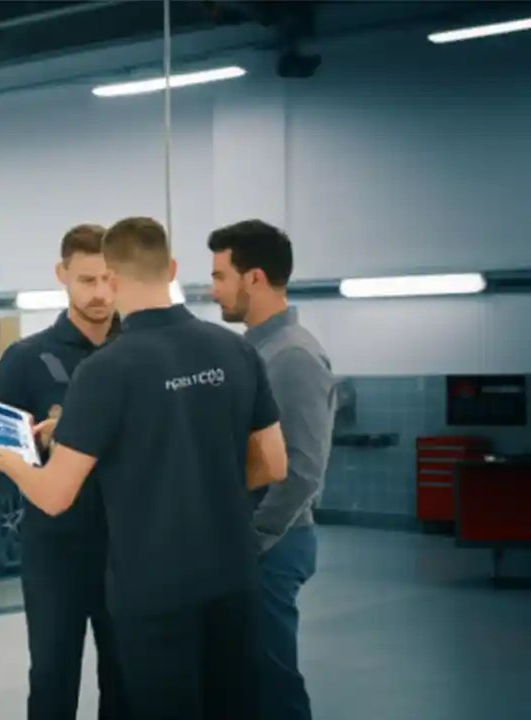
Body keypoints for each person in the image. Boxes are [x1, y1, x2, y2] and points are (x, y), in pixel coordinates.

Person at [0, 217, 289, 720]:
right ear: (174, 269)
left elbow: (54, 494)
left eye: (103, 279)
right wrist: (201, 488)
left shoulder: (110, 367)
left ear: (114, 278)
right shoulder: (235, 348)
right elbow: (273, 462)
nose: (98, 292)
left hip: (149, 576)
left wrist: (5, 459)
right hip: (230, 573)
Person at [0, 223, 126, 720]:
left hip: (128, 548)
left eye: (111, 279)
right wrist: (38, 445)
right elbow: (1, 456)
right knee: (52, 677)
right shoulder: (24, 360)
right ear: (62, 274)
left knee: (127, 679)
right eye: (88, 280)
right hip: (55, 550)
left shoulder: (140, 356)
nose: (101, 293)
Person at [207, 220, 336, 720]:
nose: (212, 289)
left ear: (254, 278)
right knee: (244, 678)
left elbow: (302, 470)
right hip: (249, 540)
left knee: (271, 682)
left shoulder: (293, 356)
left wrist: (252, 539)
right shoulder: (251, 350)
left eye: (220, 276)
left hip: (272, 546)